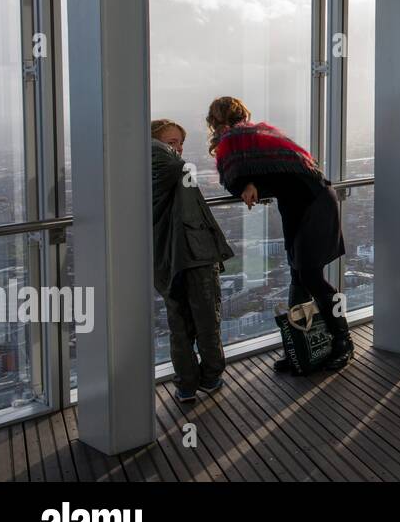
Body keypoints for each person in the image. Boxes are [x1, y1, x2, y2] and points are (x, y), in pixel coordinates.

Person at [208, 97, 354, 372]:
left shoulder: (236, 139)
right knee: (299, 276)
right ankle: (299, 345)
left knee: (310, 277)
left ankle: (343, 341)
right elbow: (272, 171)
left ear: (216, 120)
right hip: (306, 203)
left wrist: (244, 183)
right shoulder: (258, 135)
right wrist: (250, 182)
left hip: (312, 204)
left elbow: (233, 172)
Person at [151, 119, 234, 402]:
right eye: (170, 142)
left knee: (179, 323)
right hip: (194, 255)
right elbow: (163, 156)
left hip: (165, 259)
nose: (178, 148)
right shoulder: (164, 164)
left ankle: (186, 384)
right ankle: (210, 377)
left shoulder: (140, 174)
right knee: (207, 319)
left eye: (180, 142)